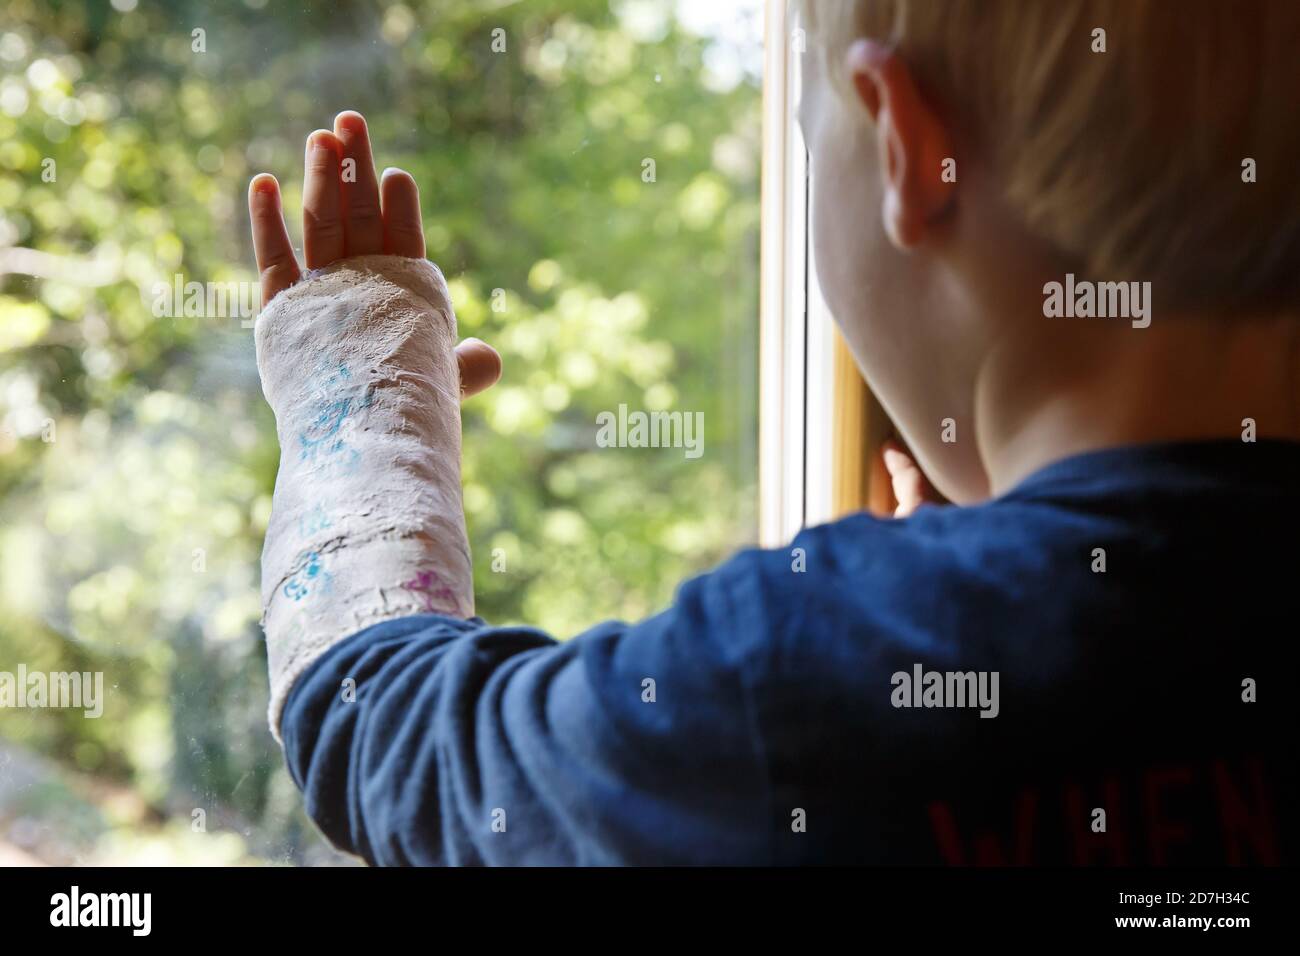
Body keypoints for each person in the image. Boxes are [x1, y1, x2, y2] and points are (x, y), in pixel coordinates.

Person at [245, 0, 1300, 865]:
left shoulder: (815, 669)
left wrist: (367, 408)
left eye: (807, 131)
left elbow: (393, 729)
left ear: (908, 149)